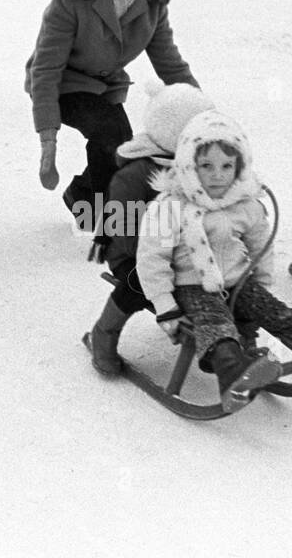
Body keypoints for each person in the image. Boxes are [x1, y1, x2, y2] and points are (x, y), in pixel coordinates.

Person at [136, 110, 292, 412]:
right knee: (216, 323)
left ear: (239, 166)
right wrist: (165, 305)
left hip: (240, 283)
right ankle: (233, 373)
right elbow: (153, 259)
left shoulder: (245, 205)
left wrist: (262, 287)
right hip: (192, 287)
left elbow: (260, 249)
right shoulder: (170, 207)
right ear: (189, 165)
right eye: (206, 166)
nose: (218, 175)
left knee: (281, 315)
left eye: (227, 166)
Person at [25, 0, 199, 228]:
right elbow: (46, 68)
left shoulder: (152, 1)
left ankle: (82, 197)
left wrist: (202, 113)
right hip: (63, 83)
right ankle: (114, 224)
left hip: (104, 86)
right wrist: (48, 141)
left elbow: (169, 62)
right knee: (109, 132)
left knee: (123, 147)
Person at [87, 82, 215, 375]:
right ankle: (104, 332)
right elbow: (125, 229)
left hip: (182, 251)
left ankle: (225, 341)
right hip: (133, 253)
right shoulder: (134, 175)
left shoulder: (196, 169)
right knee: (139, 284)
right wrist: (163, 257)